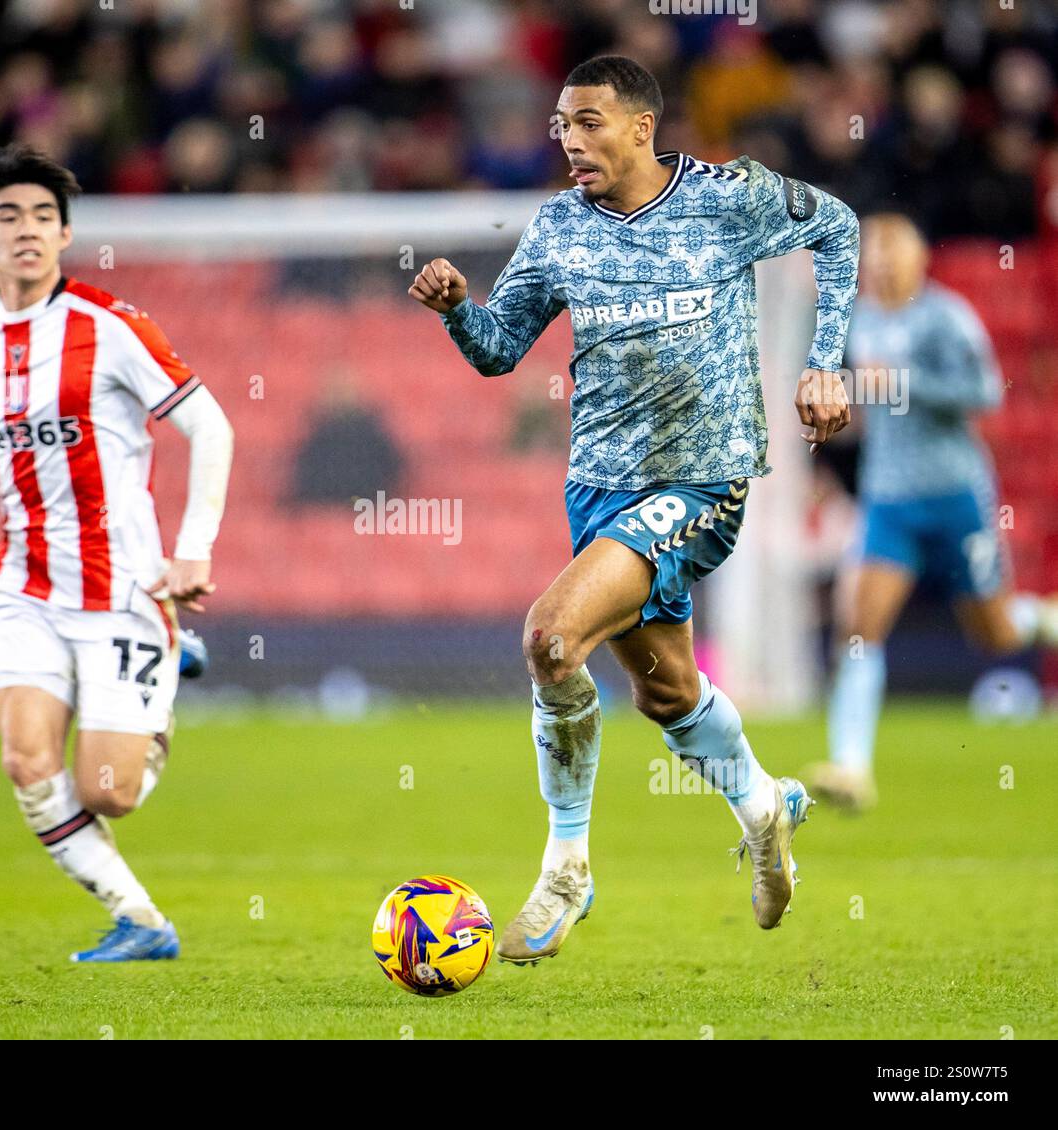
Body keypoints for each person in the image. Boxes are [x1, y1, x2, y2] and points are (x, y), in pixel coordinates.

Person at [410, 56, 858, 963]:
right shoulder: (559, 228)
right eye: (561, 127)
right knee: (665, 693)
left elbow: (841, 229)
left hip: (704, 480)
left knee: (549, 638)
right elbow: (501, 350)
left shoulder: (730, 197)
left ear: (643, 126)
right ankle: (765, 806)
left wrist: (823, 361)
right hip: (599, 485)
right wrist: (460, 311)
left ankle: (565, 867)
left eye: (588, 122)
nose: (570, 141)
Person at [0, 145, 234, 961]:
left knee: (108, 793)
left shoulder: (110, 326)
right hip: (22, 585)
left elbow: (211, 426)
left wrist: (193, 551)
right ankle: (143, 921)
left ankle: (167, 670)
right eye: (8, 217)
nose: (27, 230)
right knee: (25, 760)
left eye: (43, 217)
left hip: (122, 584)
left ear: (65, 236)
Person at [806, 212, 1058, 811]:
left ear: (918, 261)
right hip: (889, 499)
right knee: (859, 630)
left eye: (893, 256)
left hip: (955, 496)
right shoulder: (857, 319)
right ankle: (851, 767)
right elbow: (869, 400)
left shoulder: (945, 317)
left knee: (992, 632)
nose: (882, 267)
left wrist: (905, 382)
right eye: (874, 257)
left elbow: (986, 392)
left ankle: (1042, 620)